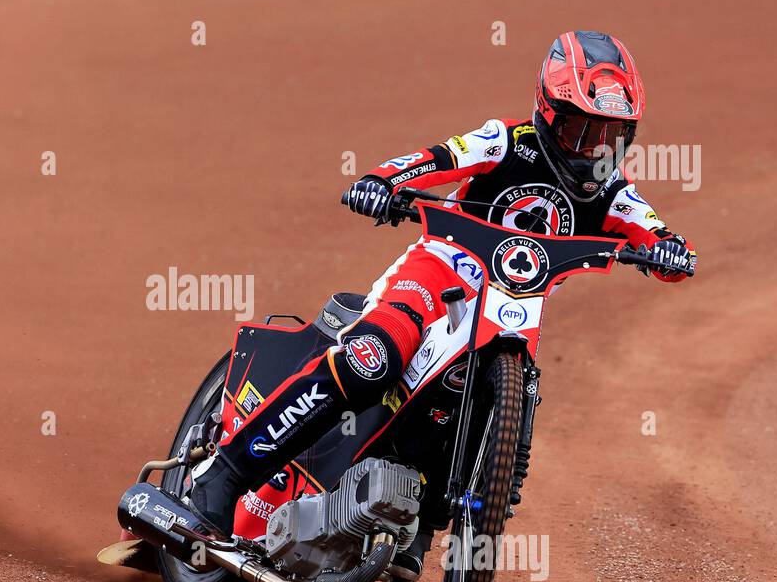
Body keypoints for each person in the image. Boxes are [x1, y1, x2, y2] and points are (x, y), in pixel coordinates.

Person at [188, 30, 697, 537]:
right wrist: (384, 182)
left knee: (508, 398)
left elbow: (657, 235)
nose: (594, 151)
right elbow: (438, 158)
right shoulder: (505, 140)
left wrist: (672, 252)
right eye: (580, 131)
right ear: (547, 112)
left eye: (611, 136)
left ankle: (433, 518)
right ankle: (224, 476)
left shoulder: (614, 192)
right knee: (374, 358)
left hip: (513, 312)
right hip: (438, 273)